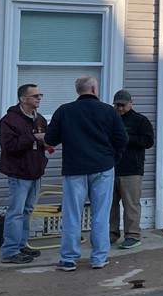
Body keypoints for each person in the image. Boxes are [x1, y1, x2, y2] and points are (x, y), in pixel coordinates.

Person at [44, 76, 127, 272]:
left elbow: (50, 138)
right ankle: (99, 258)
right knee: (100, 214)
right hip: (103, 167)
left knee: (72, 214)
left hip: (74, 168)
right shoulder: (108, 111)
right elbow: (122, 138)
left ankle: (68, 259)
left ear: (78, 91)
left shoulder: (64, 110)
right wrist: (113, 158)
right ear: (93, 89)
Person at [0, 84, 51, 264]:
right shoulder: (10, 120)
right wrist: (34, 137)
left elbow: (43, 139)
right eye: (35, 96)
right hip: (19, 173)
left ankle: (21, 245)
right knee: (16, 212)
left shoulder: (39, 119)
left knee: (27, 211)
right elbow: (9, 147)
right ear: (23, 98)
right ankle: (10, 251)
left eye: (40, 95)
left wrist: (46, 143)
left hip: (35, 172)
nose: (39, 98)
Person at [109, 90, 154, 250]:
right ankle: (111, 234)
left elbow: (148, 141)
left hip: (132, 170)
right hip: (110, 169)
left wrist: (125, 138)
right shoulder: (110, 118)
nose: (120, 108)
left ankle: (132, 236)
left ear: (130, 103)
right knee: (110, 205)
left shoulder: (140, 120)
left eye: (123, 105)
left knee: (131, 205)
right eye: (117, 105)